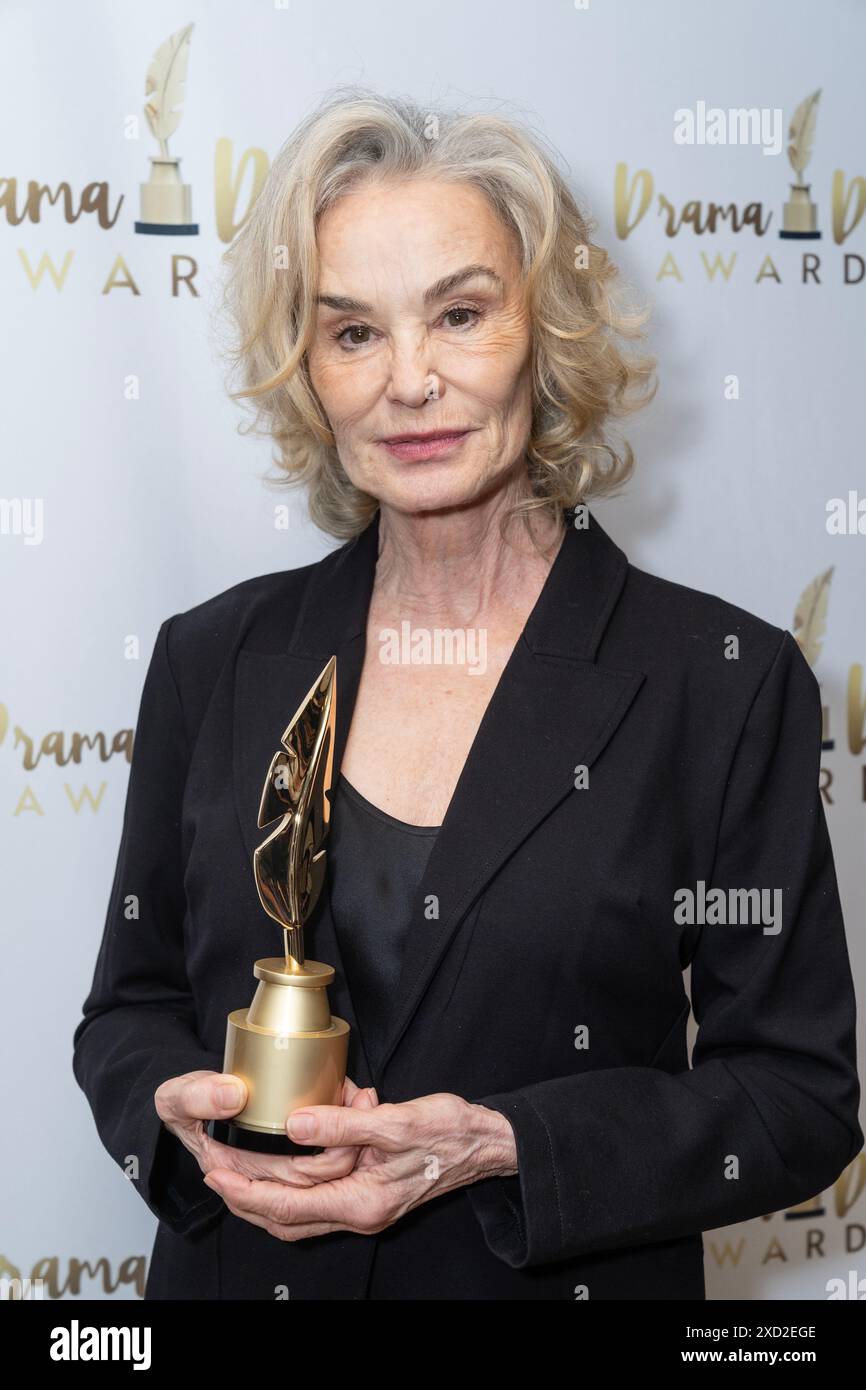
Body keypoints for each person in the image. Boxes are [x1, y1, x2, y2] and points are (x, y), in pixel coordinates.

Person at [73, 86, 862, 1301]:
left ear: (546, 332)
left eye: (459, 314)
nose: (409, 381)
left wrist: (503, 1148)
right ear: (306, 370)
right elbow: (130, 1007)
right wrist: (170, 1117)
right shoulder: (212, 658)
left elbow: (797, 1095)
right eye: (351, 333)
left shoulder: (720, 684)